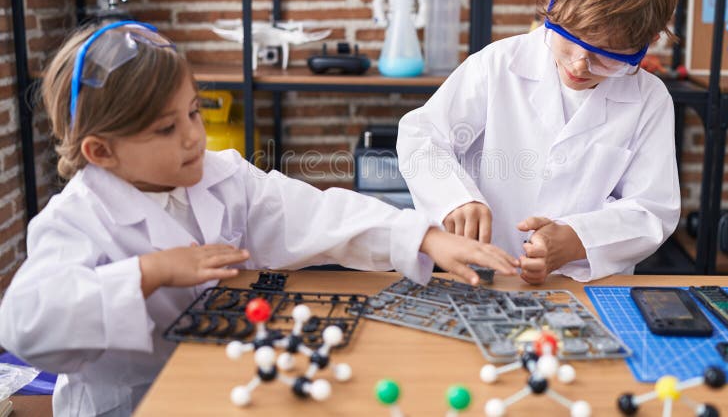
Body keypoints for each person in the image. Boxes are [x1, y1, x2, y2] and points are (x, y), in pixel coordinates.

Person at [0, 21, 518, 417]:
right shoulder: (76, 218)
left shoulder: (221, 175)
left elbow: (316, 213)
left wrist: (424, 237)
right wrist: (151, 272)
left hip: (213, 379)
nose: (193, 136)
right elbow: (25, 325)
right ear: (101, 151)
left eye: (194, 112)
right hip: (128, 404)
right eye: (165, 129)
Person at [397, 0, 682, 284]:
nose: (579, 64)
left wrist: (577, 240)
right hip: (487, 277)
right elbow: (422, 136)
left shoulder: (649, 100)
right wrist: (454, 198)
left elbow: (653, 210)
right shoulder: (498, 64)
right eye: (569, 38)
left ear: (647, 42)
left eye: (606, 55)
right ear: (553, 4)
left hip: (588, 284)